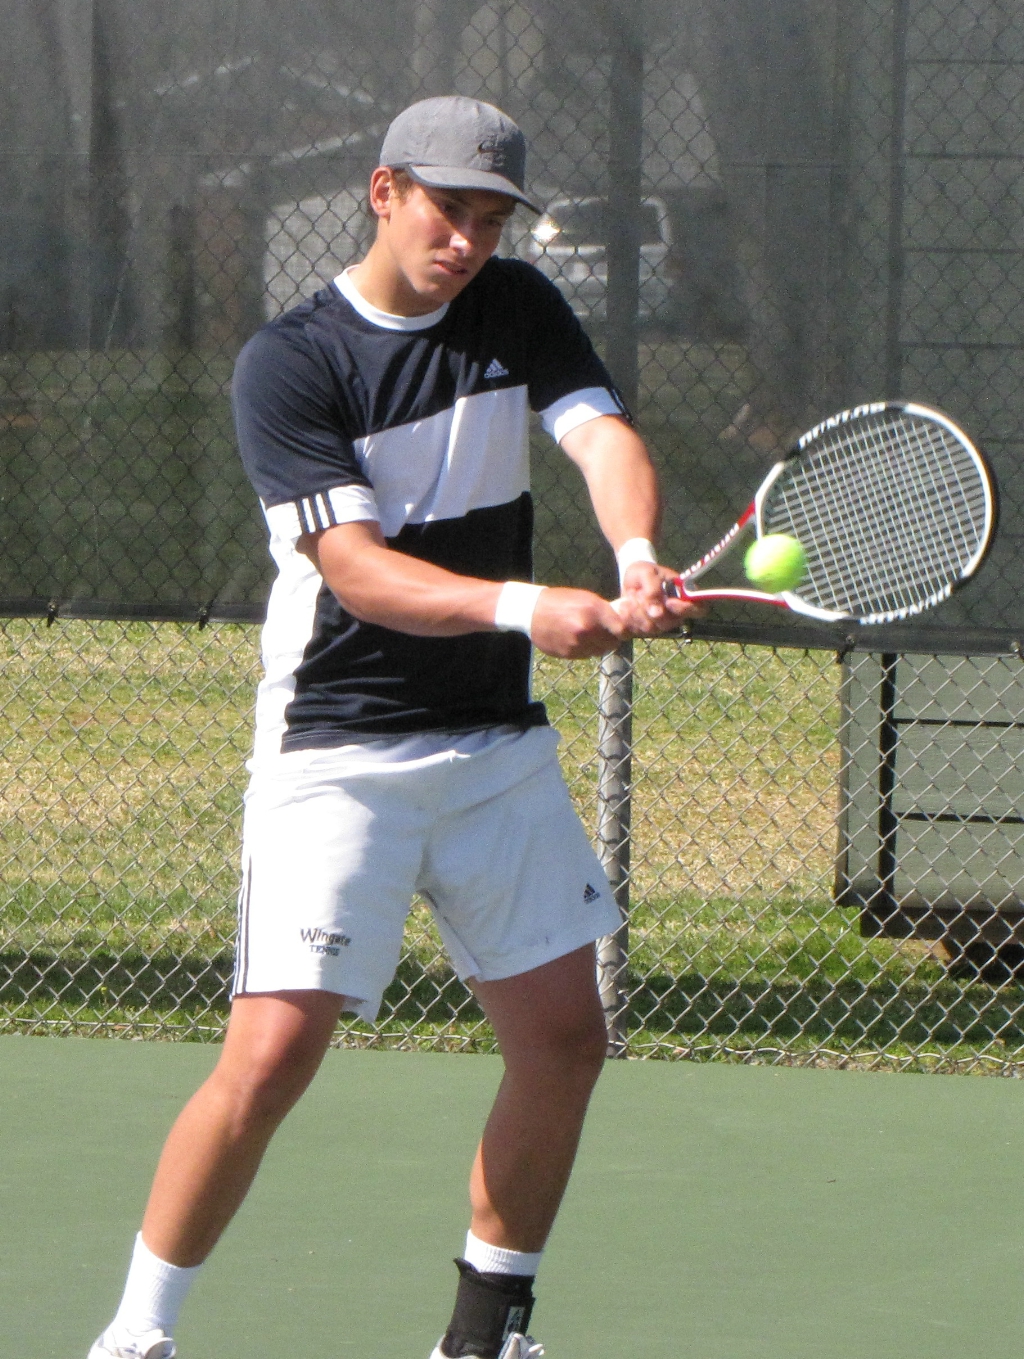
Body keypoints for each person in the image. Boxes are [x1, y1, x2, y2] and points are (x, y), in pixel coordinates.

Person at [87, 94, 698, 1359]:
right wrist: (531, 605)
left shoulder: (517, 307)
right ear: (383, 193)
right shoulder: (292, 362)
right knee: (269, 1057)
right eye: (445, 209)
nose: (467, 240)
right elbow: (360, 573)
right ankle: (137, 1338)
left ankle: (486, 1336)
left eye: (489, 218)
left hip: (495, 750)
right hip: (339, 751)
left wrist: (634, 551)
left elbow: (602, 437)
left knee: (563, 1037)